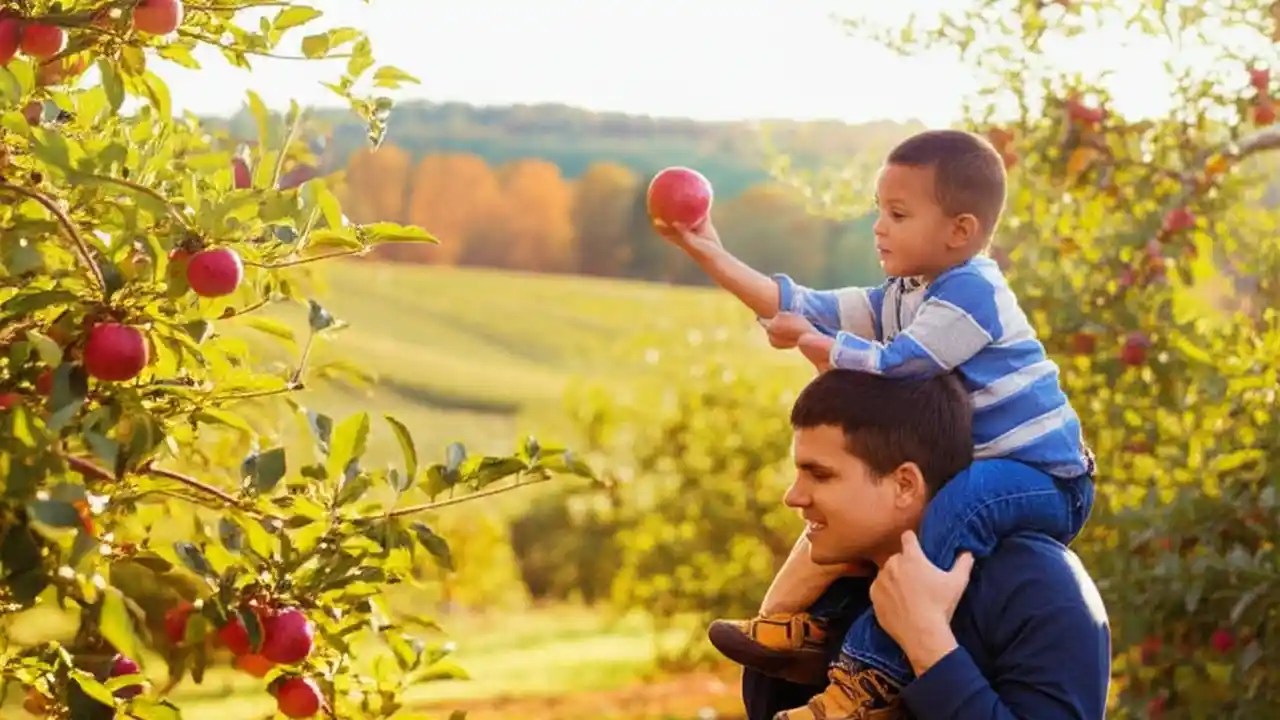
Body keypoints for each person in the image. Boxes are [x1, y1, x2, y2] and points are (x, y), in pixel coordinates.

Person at [656, 129, 1097, 719]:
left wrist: (927, 643)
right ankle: (786, 629)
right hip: (989, 472)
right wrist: (710, 252)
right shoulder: (905, 293)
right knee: (944, 511)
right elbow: (799, 302)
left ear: (959, 230)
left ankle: (864, 680)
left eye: (897, 213)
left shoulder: (974, 294)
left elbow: (902, 361)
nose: (878, 227)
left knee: (963, 505)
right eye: (878, 211)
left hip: (1046, 476)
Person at [745, 369, 1110, 720]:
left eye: (820, 475)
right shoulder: (842, 590)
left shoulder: (1039, 585)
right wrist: (784, 600)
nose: (793, 497)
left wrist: (927, 643)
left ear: (905, 484)